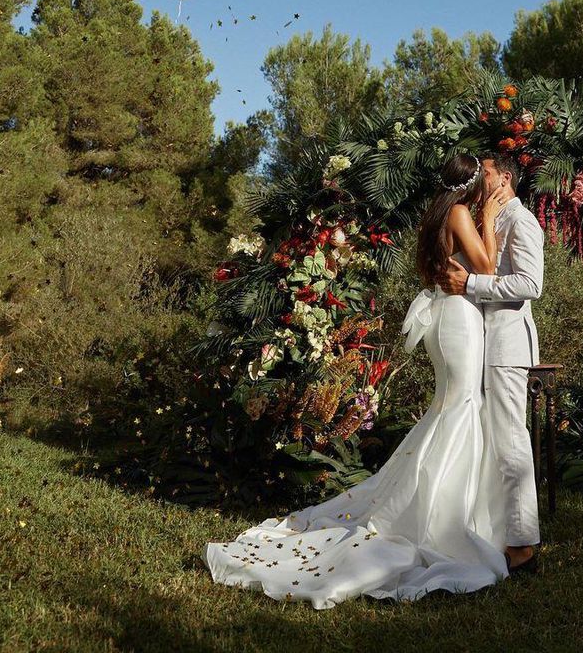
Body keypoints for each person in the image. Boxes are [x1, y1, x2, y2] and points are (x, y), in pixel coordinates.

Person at [203, 152, 514, 609]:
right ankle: (440, 519)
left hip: (448, 317)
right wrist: (489, 217)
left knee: (452, 405)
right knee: (461, 403)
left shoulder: (437, 213)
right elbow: (486, 270)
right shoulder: (462, 212)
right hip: (459, 319)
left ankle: (451, 508)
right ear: (471, 184)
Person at [437, 152, 544, 575]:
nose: (478, 181)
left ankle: (523, 546)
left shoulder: (522, 221)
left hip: (506, 347)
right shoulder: (491, 221)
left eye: (484, 174)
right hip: (481, 344)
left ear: (505, 178)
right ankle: (497, 533)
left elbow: (530, 283)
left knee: (510, 441)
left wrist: (472, 283)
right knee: (493, 443)